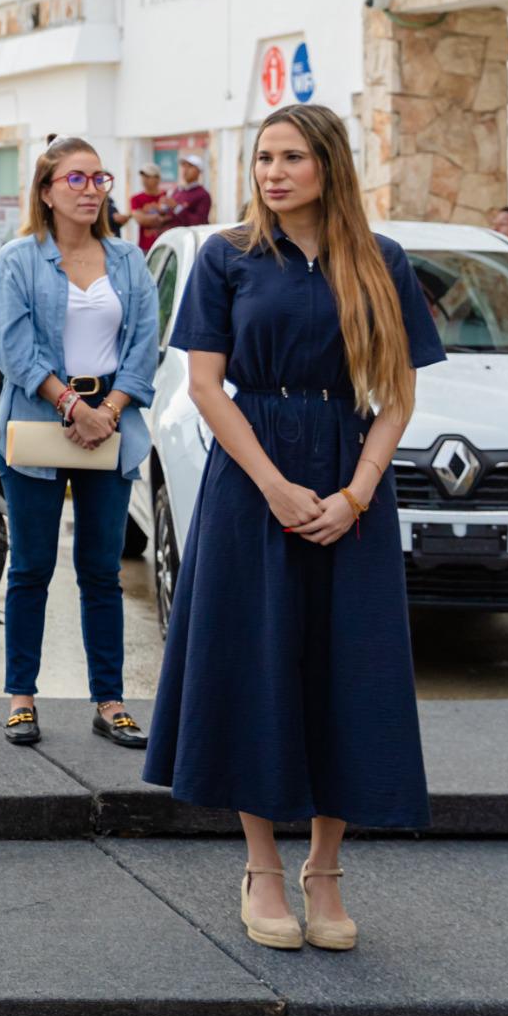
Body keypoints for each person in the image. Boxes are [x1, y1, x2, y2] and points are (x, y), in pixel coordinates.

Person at [144, 103, 445, 954]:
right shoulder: (227, 256)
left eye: (291, 158)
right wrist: (275, 486)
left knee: (347, 668)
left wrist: (354, 494)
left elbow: (398, 395)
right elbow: (206, 386)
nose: (273, 172)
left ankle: (325, 870)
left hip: (352, 488)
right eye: (264, 158)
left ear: (328, 166)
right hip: (255, 485)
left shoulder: (379, 261)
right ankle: (262, 868)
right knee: (258, 663)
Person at [0, 138, 161, 751]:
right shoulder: (16, 260)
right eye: (76, 179)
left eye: (99, 179)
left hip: (109, 428)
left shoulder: (129, 262)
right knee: (31, 567)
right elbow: (15, 349)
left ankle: (109, 701)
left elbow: (144, 347)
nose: (90, 190)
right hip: (40, 422)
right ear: (46, 190)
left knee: (101, 571)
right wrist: (71, 406)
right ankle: (21, 697)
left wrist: (107, 410)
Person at [126, 165, 168, 252]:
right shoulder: (136, 199)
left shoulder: (167, 196)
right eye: (143, 176)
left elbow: (171, 218)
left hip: (166, 245)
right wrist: (160, 218)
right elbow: (140, 220)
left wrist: (146, 217)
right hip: (145, 248)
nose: (144, 179)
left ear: (158, 178)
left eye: (148, 177)